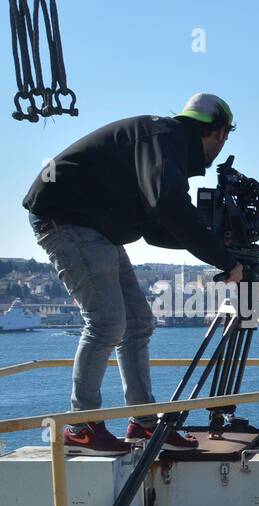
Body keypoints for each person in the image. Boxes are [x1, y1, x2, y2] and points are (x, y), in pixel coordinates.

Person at [23, 93, 243, 455]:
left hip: (96, 229)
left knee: (138, 323)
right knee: (106, 322)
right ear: (219, 133)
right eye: (224, 139)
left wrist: (217, 245)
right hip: (66, 220)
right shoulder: (164, 138)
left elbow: (158, 229)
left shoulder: (165, 146)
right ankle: (80, 427)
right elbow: (168, 206)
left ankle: (142, 423)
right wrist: (222, 258)